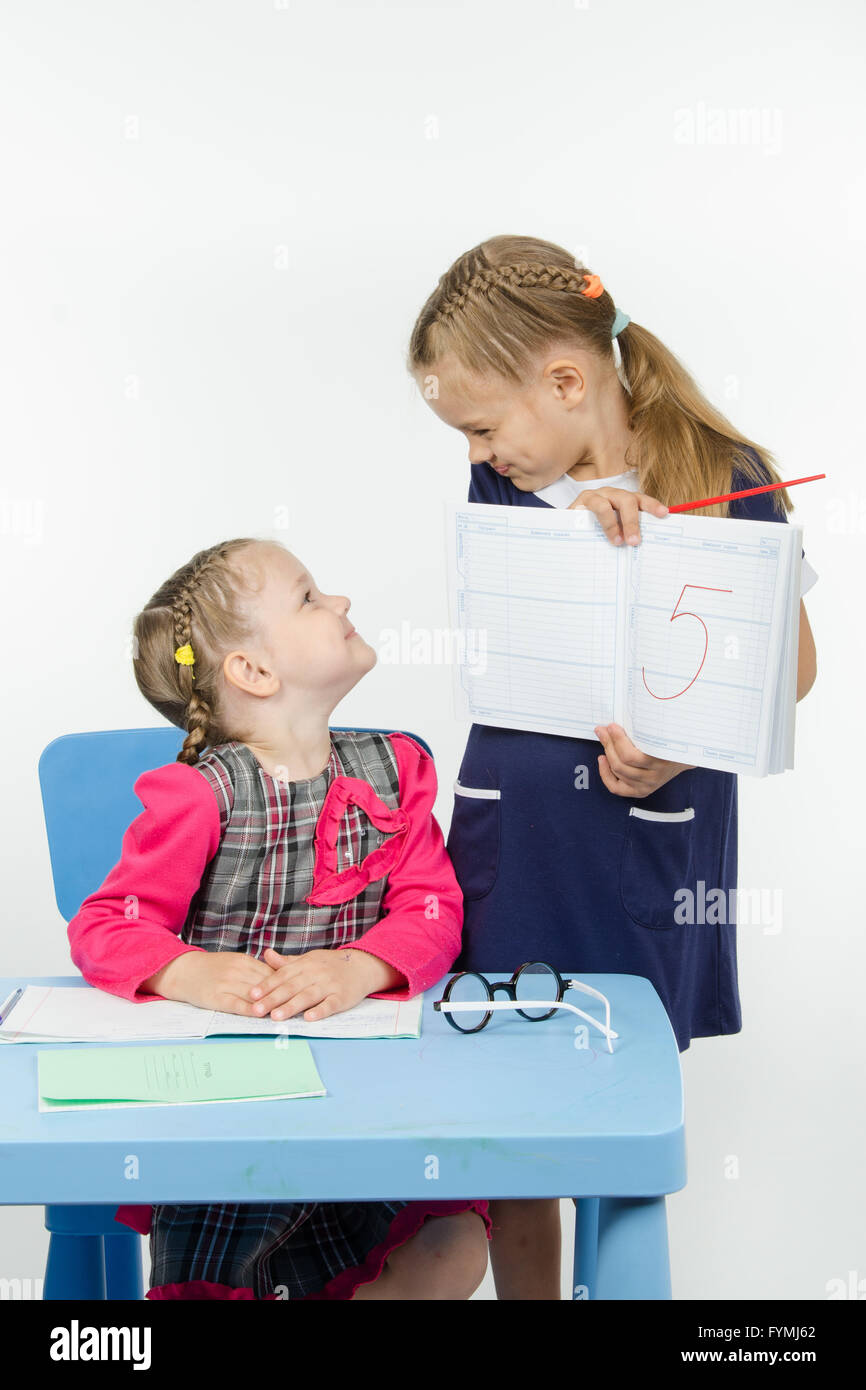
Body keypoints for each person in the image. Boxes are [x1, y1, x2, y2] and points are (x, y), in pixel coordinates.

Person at [406, 233, 818, 1299]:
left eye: (484, 425)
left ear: (564, 378)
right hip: (520, 849)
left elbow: (791, 672)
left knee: (619, 1105)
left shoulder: (724, 476)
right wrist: (569, 541)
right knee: (511, 1116)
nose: (478, 452)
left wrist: (683, 743)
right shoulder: (506, 486)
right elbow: (504, 626)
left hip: (646, 858)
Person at [67, 536, 492, 1300]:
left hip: (370, 1105)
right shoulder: (198, 795)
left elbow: (434, 905)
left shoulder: (397, 769)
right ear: (254, 672)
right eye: (309, 596)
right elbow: (105, 924)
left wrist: (365, 965)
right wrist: (187, 970)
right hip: (235, 1121)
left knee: (454, 1244)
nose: (342, 603)